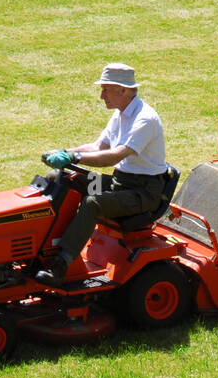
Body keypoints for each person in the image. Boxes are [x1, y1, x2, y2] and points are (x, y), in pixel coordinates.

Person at [35, 63, 168, 285]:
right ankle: (44, 245)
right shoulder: (121, 114)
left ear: (123, 90)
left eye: (105, 89)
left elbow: (113, 156)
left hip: (142, 194)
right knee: (61, 178)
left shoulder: (145, 119)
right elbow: (99, 146)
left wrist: (74, 158)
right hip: (120, 183)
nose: (101, 96)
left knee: (93, 202)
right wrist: (65, 152)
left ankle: (61, 263)